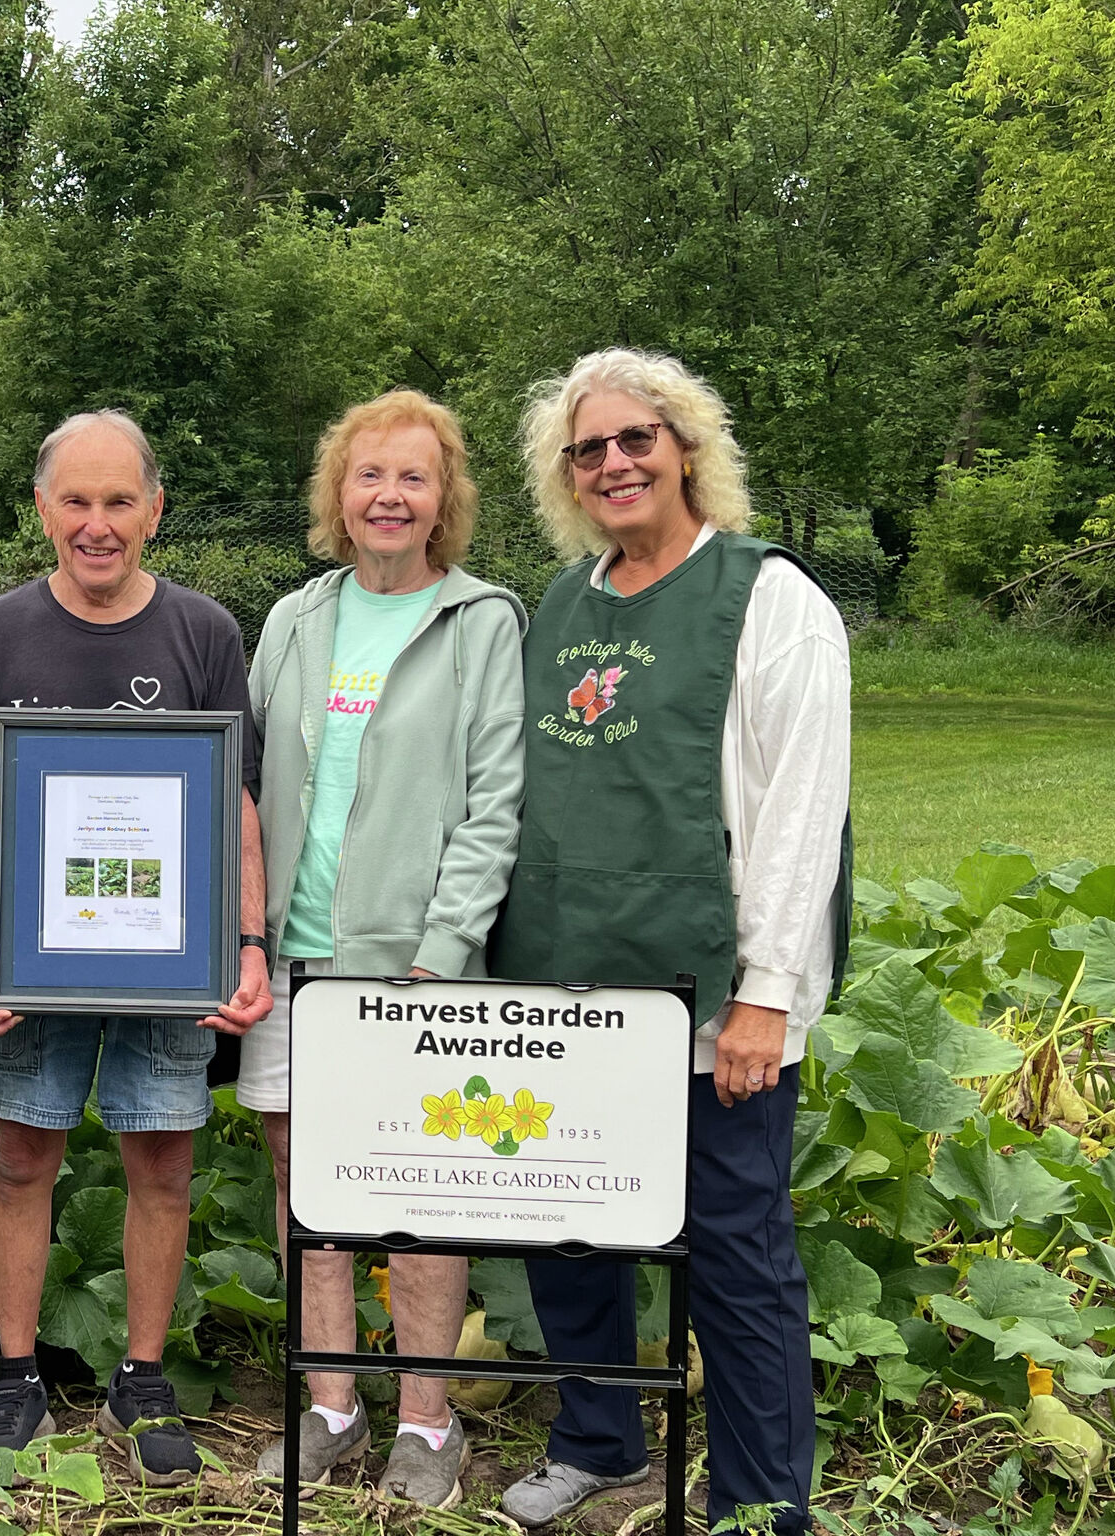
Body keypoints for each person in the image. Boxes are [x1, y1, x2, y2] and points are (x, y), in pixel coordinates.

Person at [490, 349, 851, 1532]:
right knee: (565, 1227)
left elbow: (803, 810)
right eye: (586, 450)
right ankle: (596, 1440)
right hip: (567, 983)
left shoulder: (768, 596)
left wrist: (765, 991)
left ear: (686, 446)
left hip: (710, 1004)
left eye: (634, 438)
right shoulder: (562, 601)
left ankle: (758, 1500)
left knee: (736, 1259)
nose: (612, 462)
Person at [0, 409, 273, 1485]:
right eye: (75, 502)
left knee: (163, 1164)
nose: (96, 525)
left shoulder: (203, 634)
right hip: (26, 965)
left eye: (117, 502)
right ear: (42, 510)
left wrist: (243, 943)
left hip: (165, 962)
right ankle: (12, 1373)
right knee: (20, 1159)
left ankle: (140, 1374)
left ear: (154, 510)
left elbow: (232, 801)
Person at [242, 389, 526, 1504]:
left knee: (415, 1192)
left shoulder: (479, 621)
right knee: (303, 1184)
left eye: (412, 477)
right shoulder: (296, 619)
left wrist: (443, 949)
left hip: (412, 963)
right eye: (368, 476)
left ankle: (425, 1422)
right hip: (292, 958)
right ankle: (328, 1407)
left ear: (443, 498)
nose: (388, 496)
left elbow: (494, 800)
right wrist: (245, 935)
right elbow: (248, 792)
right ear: (337, 494)